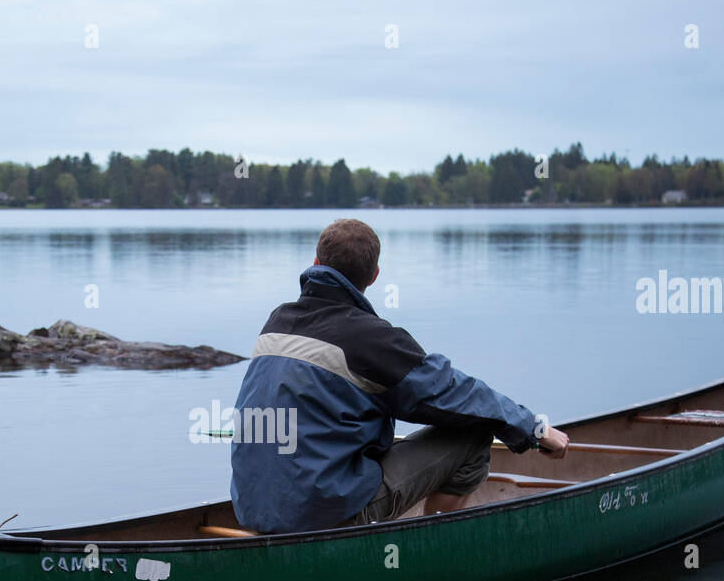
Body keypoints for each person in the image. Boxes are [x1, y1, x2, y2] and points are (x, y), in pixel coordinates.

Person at [230, 218, 569, 535]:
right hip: (329, 514)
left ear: (316, 264)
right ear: (374, 276)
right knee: (475, 430)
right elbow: (454, 393)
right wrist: (534, 428)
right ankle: (435, 549)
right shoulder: (370, 338)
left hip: (251, 509)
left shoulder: (277, 321)